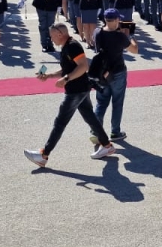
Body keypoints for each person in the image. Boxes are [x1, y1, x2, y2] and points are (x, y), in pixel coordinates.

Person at [24, 23, 117, 168]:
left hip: (76, 90)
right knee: (89, 117)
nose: (51, 38)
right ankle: (106, 145)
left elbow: (83, 66)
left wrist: (66, 79)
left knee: (60, 122)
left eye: (52, 35)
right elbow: (67, 69)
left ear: (60, 34)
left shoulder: (73, 46)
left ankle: (44, 155)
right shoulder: (66, 47)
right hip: (81, 88)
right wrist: (49, 75)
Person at [90, 8, 138, 142]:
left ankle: (95, 131)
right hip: (118, 72)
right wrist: (131, 36)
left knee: (101, 102)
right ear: (116, 20)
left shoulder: (97, 32)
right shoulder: (120, 37)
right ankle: (115, 132)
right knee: (117, 102)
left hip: (102, 72)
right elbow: (134, 50)